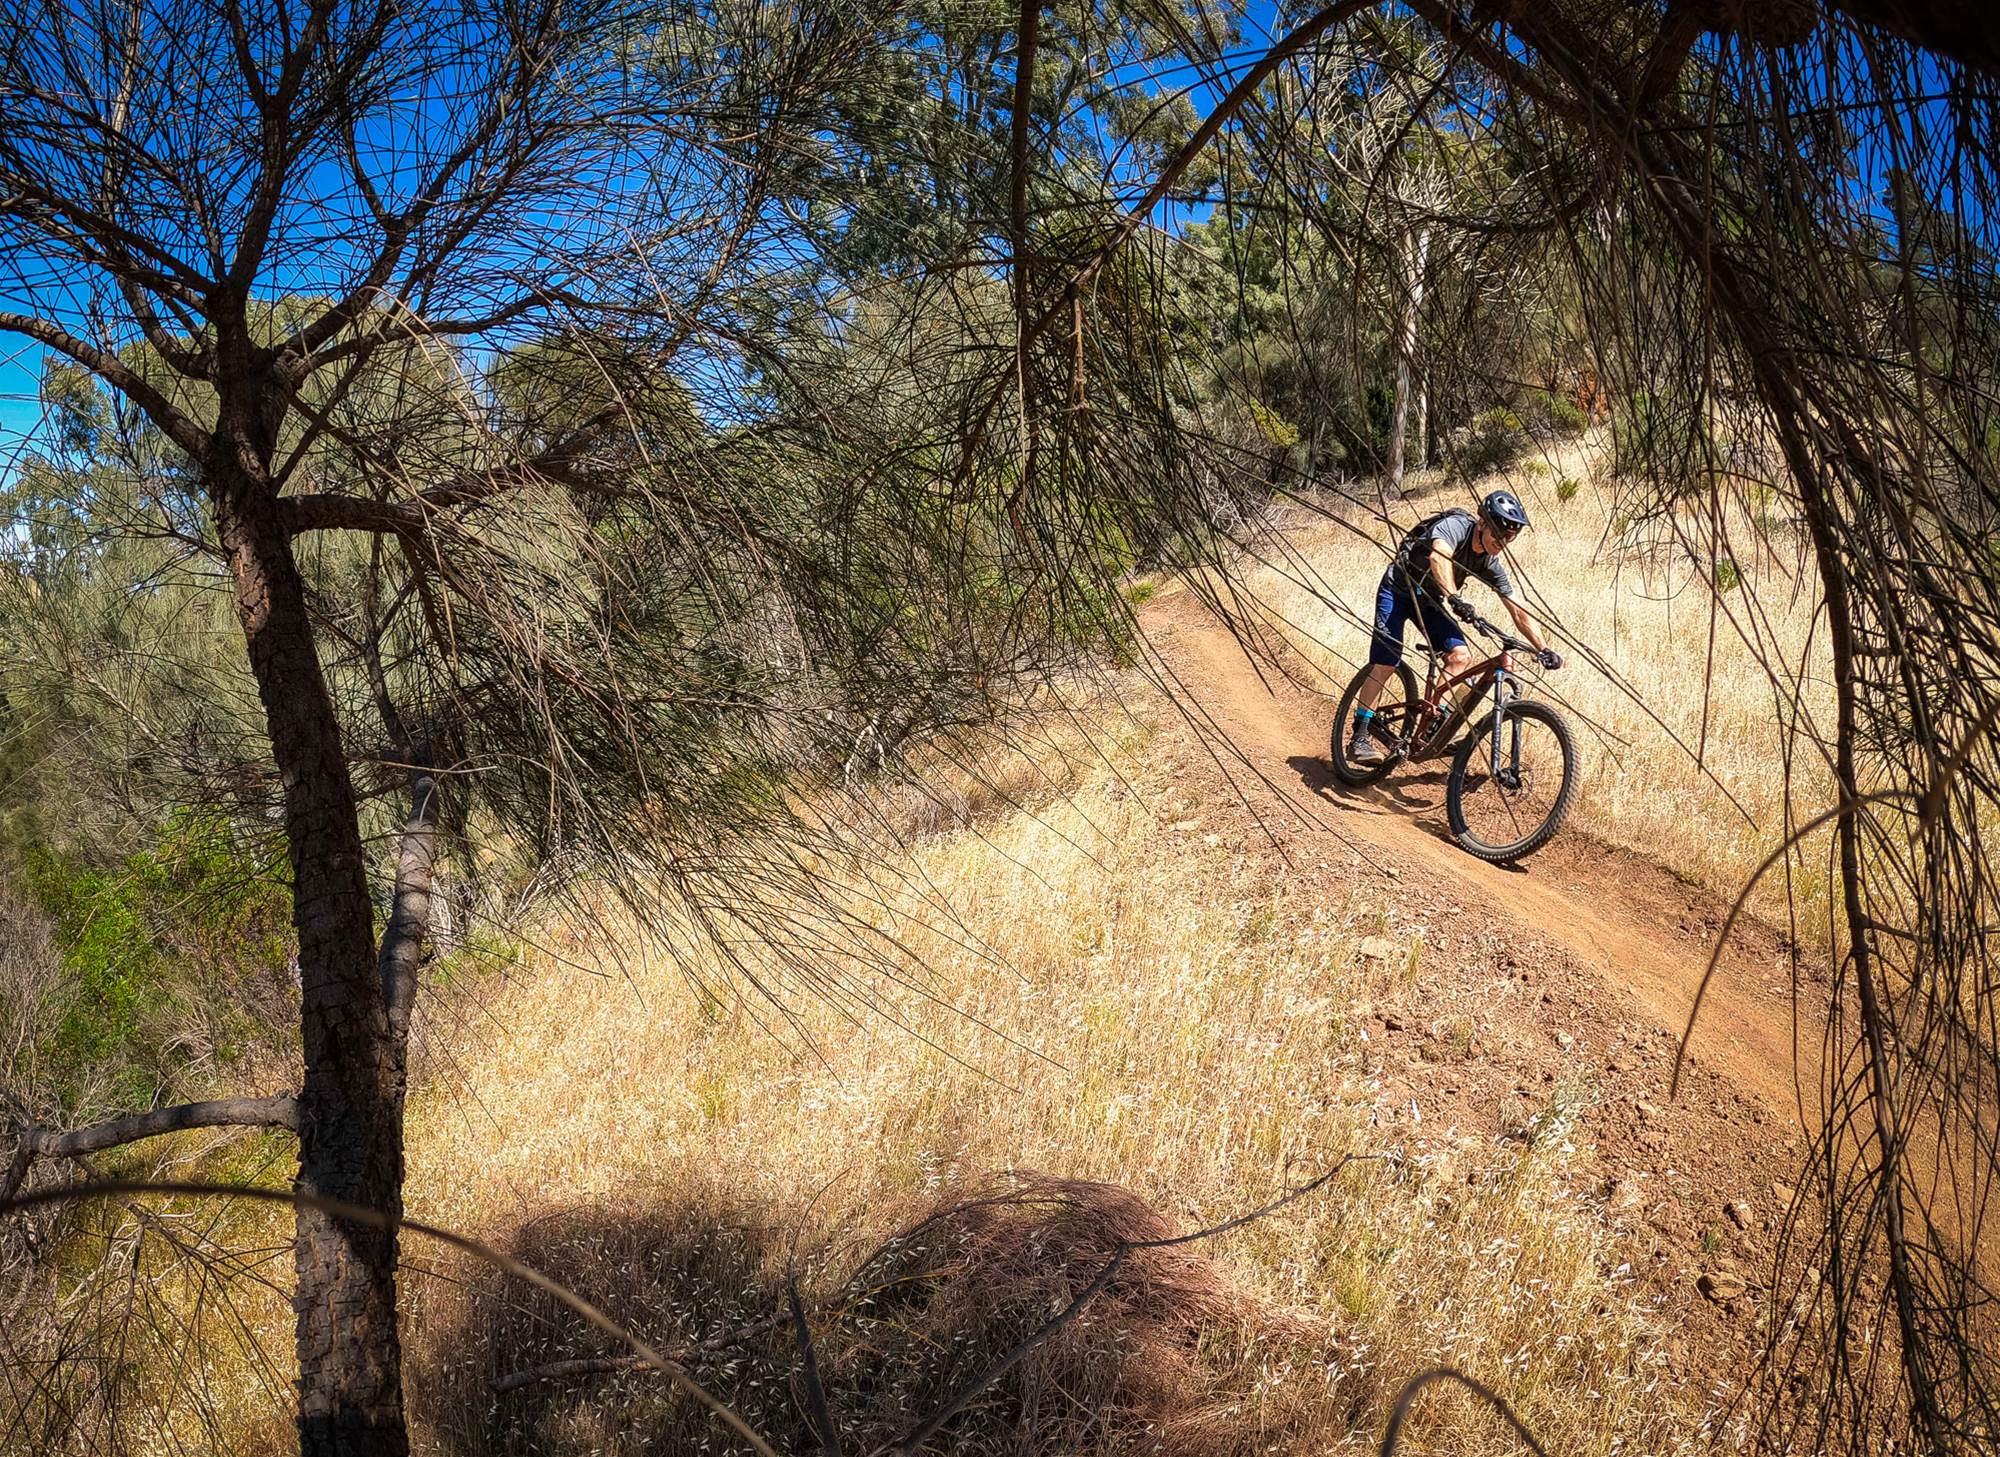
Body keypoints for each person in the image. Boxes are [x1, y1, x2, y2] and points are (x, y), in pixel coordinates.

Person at [1346, 489, 1562, 765]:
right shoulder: (1457, 526)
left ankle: (1431, 727)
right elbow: (1439, 556)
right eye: (1499, 532)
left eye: (1511, 537)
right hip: (1397, 591)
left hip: (1429, 601)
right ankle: (1359, 736)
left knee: (1461, 657)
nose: (1503, 541)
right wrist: (1454, 597)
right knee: (1387, 662)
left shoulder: (1489, 562)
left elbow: (1517, 608)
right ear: (1482, 522)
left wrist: (1542, 647)